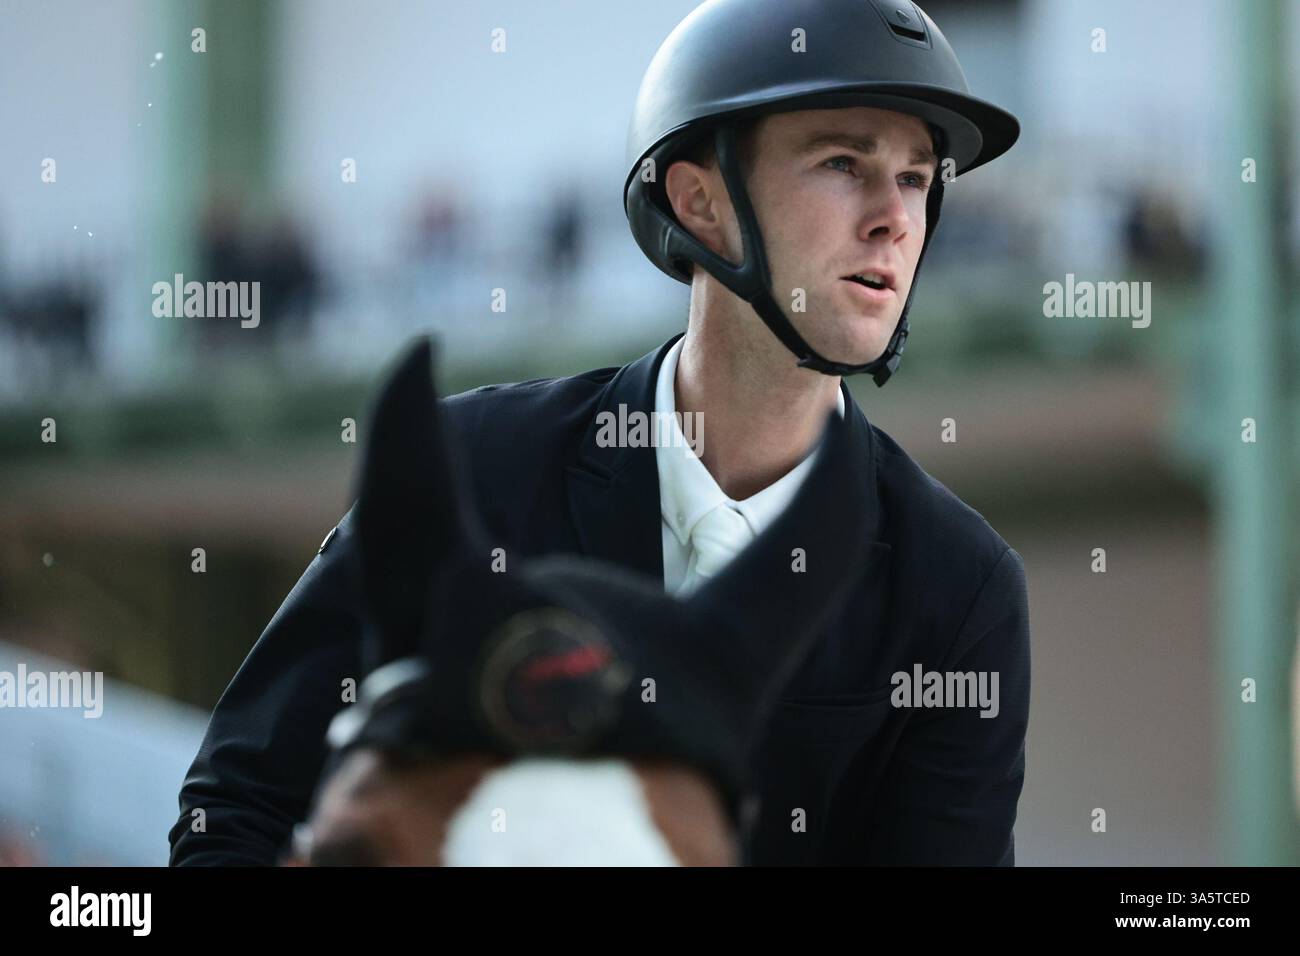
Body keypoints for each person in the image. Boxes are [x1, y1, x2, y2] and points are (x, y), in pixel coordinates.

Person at [171, 0, 1030, 866]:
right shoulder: (469, 471)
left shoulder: (959, 588)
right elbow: (233, 816)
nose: (894, 218)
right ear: (700, 202)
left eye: (917, 178)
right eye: (844, 161)